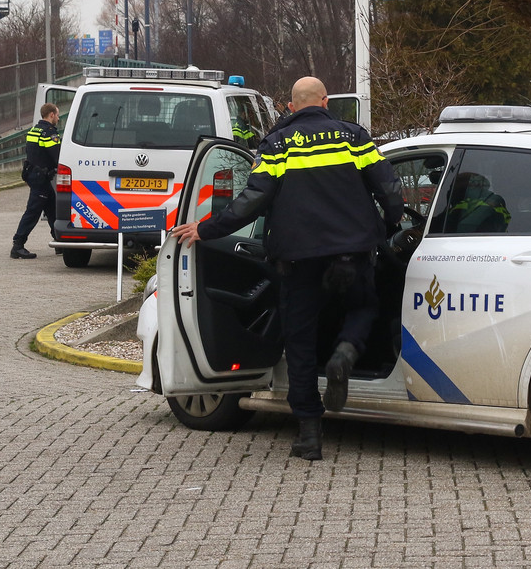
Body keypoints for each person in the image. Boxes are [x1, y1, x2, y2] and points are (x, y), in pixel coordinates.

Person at [171, 76, 403, 462]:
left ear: (292, 107)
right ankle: (345, 353)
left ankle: (309, 435)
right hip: (352, 252)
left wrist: (208, 228)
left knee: (299, 342)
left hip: (297, 258)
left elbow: (253, 198)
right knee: (363, 307)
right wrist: (390, 225)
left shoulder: (278, 144)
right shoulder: (353, 137)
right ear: (325, 101)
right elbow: (389, 187)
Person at [11, 103, 62, 259]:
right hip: (41, 177)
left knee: (52, 208)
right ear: (51, 115)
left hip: (34, 174)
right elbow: (57, 157)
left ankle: (60, 242)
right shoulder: (49, 133)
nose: (58, 118)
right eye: (58, 115)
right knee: (33, 211)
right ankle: (17, 245)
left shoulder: (34, 130)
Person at [440, 171, 510, 233]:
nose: (450, 191)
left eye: (453, 187)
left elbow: (464, 229)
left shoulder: (483, 206)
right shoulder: (496, 204)